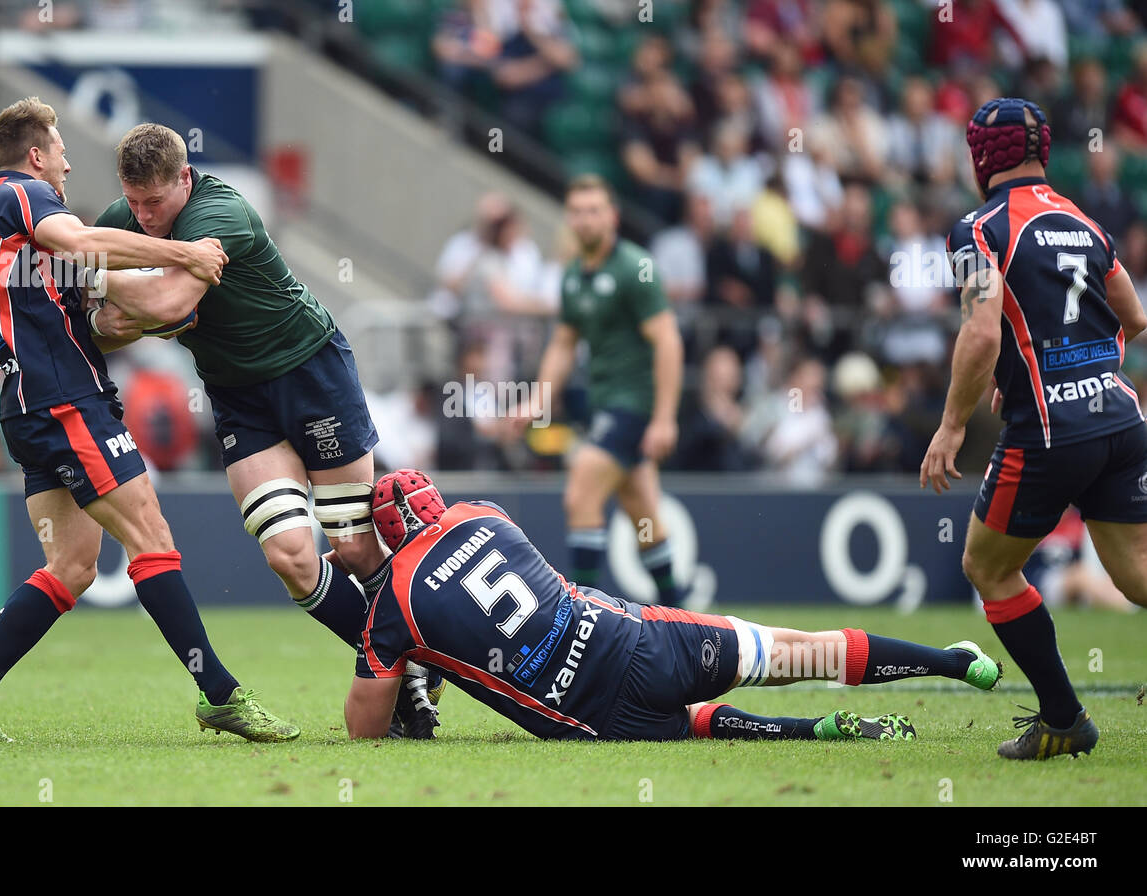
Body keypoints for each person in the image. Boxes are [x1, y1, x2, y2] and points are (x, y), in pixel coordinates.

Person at [0, 98, 295, 743]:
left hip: (27, 408)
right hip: (66, 401)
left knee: (71, 565)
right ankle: (221, 694)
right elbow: (86, 241)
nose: (69, 165)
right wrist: (185, 253)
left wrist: (139, 315)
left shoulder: (4, 230)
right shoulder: (18, 194)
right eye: (61, 150)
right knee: (152, 536)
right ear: (36, 155)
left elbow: (91, 304)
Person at [86, 124, 435, 734]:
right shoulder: (125, 217)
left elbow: (167, 308)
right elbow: (102, 332)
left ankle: (419, 652)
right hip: (240, 398)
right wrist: (129, 297)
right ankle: (397, 665)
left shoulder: (221, 212)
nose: (142, 217)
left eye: (155, 203)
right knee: (292, 556)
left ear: (185, 181)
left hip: (312, 374)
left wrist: (104, 280)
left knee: (352, 546)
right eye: (133, 202)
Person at [342, 469, 1002, 742]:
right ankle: (951, 662)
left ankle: (811, 731)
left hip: (592, 715)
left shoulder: (392, 610)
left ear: (387, 536)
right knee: (800, 651)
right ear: (435, 501)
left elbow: (364, 730)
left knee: (688, 722)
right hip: (635, 638)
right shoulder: (485, 513)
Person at [921, 97, 1147, 760]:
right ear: (1042, 149)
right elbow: (1132, 316)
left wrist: (952, 425)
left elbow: (981, 328)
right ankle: (1063, 716)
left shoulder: (976, 228)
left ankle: (1063, 717)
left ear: (981, 155)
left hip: (1051, 431)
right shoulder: (1083, 221)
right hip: (1120, 416)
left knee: (987, 567)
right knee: (1136, 573)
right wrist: (1073, 361)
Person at [510, 174, 686, 607]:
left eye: (594, 211)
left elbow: (668, 340)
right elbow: (564, 344)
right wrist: (537, 400)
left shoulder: (633, 268)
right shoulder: (573, 276)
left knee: (581, 490)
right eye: (577, 212)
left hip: (634, 407)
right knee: (644, 517)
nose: (585, 220)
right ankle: (684, 620)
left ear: (613, 216)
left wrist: (664, 417)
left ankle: (583, 614)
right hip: (605, 406)